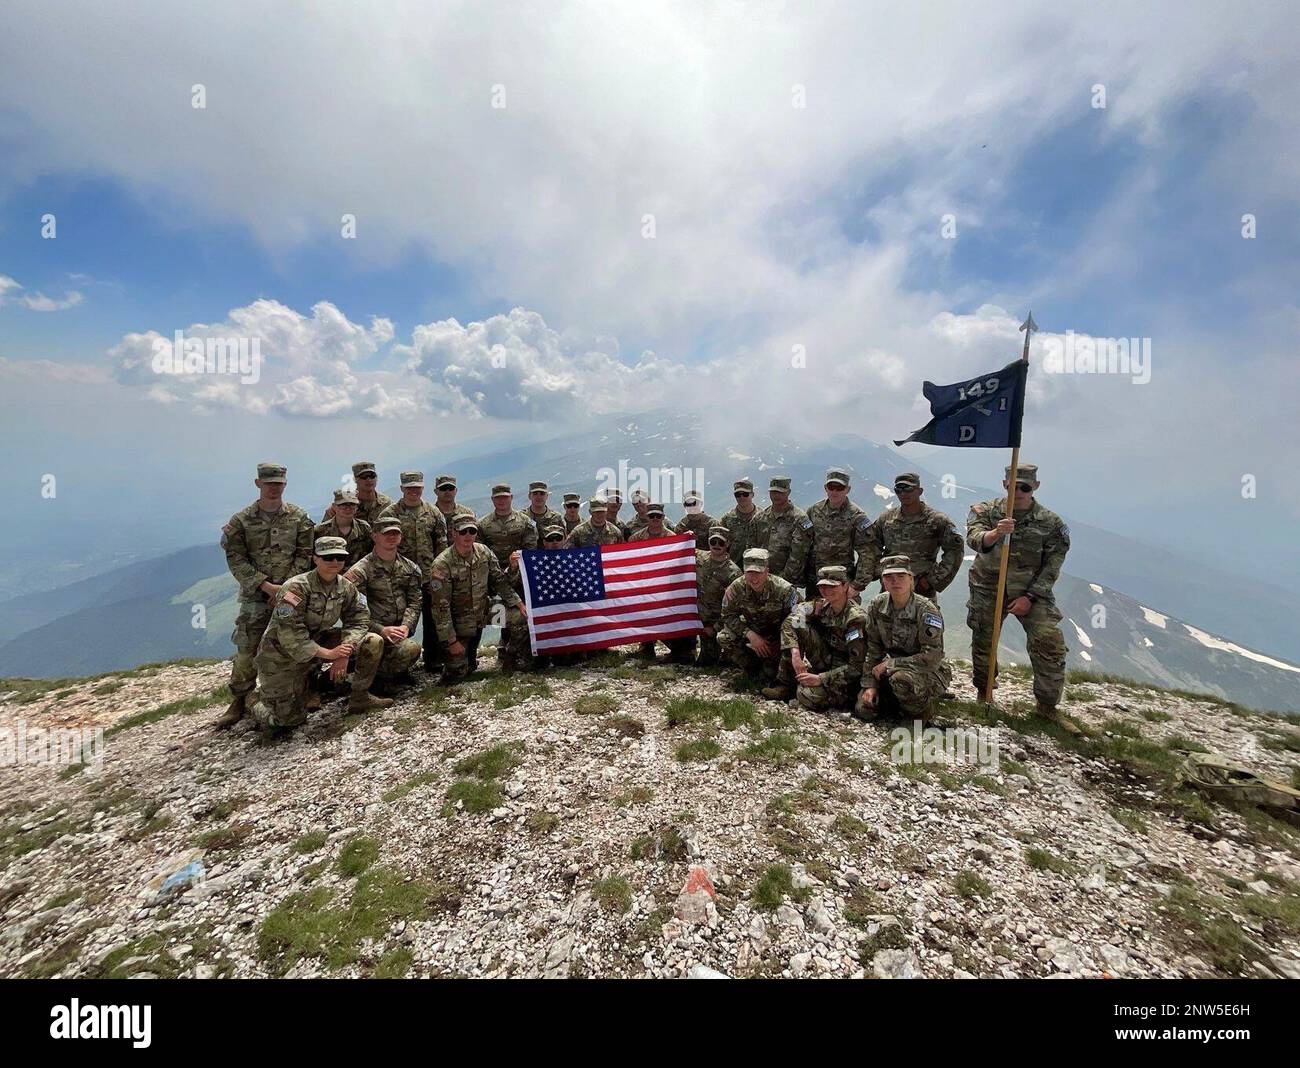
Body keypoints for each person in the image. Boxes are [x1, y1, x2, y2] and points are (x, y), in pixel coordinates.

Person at [247, 536, 391, 733]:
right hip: (281, 656)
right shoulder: (295, 588)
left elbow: (359, 618)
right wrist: (330, 654)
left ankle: (359, 697)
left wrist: (345, 650)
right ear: (315, 559)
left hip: (318, 643)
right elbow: (290, 635)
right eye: (328, 557)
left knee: (372, 641)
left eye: (339, 558)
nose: (334, 562)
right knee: (287, 721)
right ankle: (254, 700)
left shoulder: (346, 587)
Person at [965, 463, 1072, 727]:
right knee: (983, 640)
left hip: (1031, 591)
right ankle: (984, 692)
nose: (1019, 491)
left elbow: (1052, 565)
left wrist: (1031, 597)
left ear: (1035, 487)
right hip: (988, 585)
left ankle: (1047, 706)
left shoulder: (1051, 524)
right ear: (1005, 485)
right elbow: (975, 539)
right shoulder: (986, 511)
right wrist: (996, 533)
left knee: (1048, 641)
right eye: (1014, 486)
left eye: (1024, 487)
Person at [217, 462, 315, 728]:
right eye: (269, 483)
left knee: (295, 643)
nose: (274, 487)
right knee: (247, 649)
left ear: (285, 484)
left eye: (279, 483)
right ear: (258, 483)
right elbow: (236, 558)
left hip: (292, 593)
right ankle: (240, 698)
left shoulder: (298, 517)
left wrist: (285, 587)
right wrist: (265, 586)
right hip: (256, 596)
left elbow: (305, 554)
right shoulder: (241, 520)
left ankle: (301, 692)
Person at [430, 514, 527, 682]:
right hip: (460, 621)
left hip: (484, 611)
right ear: (453, 533)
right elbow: (440, 608)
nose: (468, 535)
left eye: (472, 531)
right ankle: (459, 664)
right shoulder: (442, 564)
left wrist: (518, 603)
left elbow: (499, 582)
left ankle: (511, 659)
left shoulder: (483, 552)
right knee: (458, 674)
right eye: (463, 532)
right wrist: (452, 641)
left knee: (520, 617)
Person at [858, 555, 951, 722]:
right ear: (883, 582)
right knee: (864, 710)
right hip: (890, 669)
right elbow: (873, 648)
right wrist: (870, 685)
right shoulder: (877, 605)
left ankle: (922, 712)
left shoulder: (926, 610)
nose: (895, 581)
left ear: (911, 580)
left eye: (901, 576)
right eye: (889, 577)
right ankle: (895, 704)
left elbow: (932, 658)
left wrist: (891, 664)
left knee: (901, 680)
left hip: (927, 671)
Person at [378, 471, 450, 674]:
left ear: (422, 488)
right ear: (402, 488)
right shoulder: (389, 515)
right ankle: (398, 668)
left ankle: (433, 659)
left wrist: (439, 572)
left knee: (433, 617)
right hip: (399, 577)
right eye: (409, 488)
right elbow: (380, 545)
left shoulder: (433, 513)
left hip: (429, 576)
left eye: (417, 487)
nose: (413, 491)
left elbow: (441, 546)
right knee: (399, 619)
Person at [343, 516, 424, 694]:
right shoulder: (360, 571)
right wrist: (381, 629)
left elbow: (415, 601)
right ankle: (359, 679)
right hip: (370, 634)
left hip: (398, 632)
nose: (391, 537)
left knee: (412, 650)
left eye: (396, 533)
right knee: (374, 646)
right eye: (386, 533)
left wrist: (406, 625)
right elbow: (354, 613)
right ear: (375, 536)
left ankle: (386, 676)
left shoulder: (410, 568)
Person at [776, 565, 869, 710]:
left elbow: (856, 667)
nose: (826, 591)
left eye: (832, 586)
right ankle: (785, 684)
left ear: (845, 586)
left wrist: (821, 679)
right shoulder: (822, 605)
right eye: (822, 586)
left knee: (807, 695)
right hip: (826, 660)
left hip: (844, 676)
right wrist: (795, 654)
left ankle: (845, 699)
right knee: (798, 629)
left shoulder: (856, 619)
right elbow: (792, 618)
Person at [860, 473, 963, 597]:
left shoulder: (936, 520)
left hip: (922, 589)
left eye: (908, 489)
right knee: (885, 615)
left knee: (923, 616)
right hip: (891, 586)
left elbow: (955, 550)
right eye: (899, 490)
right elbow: (872, 546)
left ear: (919, 491)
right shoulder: (887, 518)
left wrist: (932, 580)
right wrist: (880, 572)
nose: (903, 494)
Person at [477, 483, 540, 672]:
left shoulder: (525, 522)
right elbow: (481, 554)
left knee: (522, 614)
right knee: (501, 615)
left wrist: (515, 569)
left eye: (505, 497)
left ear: (511, 498)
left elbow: (530, 551)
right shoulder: (483, 525)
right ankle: (503, 649)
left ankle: (521, 652)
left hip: (520, 578)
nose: (502, 501)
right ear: (493, 500)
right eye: (498, 498)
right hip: (494, 579)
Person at [718, 548, 799, 689]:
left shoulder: (784, 589)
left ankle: (779, 674)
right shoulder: (736, 588)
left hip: (779, 639)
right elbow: (727, 615)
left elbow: (799, 618)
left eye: (759, 573)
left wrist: (783, 641)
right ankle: (751, 668)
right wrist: (749, 634)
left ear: (767, 571)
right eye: (750, 573)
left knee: (772, 675)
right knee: (724, 637)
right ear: (744, 572)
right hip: (753, 636)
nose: (754, 578)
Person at [630, 504, 692, 662]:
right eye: (652, 516)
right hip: (644, 584)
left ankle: (681, 648)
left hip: (666, 587)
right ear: (647, 517)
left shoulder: (672, 538)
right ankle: (646, 646)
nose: (655, 519)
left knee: (667, 617)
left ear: (663, 517)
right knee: (644, 612)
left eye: (658, 516)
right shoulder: (636, 538)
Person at [805, 467, 873, 597]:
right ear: (825, 488)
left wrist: (857, 585)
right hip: (816, 583)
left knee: (847, 617)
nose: (835, 491)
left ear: (848, 489)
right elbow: (803, 544)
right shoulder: (814, 511)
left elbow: (868, 553)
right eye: (831, 487)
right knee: (814, 616)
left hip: (842, 584)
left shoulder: (857, 516)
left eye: (840, 488)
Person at [695, 525, 740, 667]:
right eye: (713, 542)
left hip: (717, 622)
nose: (716, 546)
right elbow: (679, 549)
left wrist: (714, 627)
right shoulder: (699, 558)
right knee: (703, 662)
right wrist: (686, 537)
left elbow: (734, 608)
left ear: (727, 544)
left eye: (721, 542)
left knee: (712, 663)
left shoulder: (733, 573)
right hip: (697, 618)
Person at [755, 475, 812, 585]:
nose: (776, 495)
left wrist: (783, 580)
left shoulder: (799, 519)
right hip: (760, 578)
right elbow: (752, 548)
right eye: (773, 492)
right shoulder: (760, 518)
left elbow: (798, 555)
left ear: (788, 492)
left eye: (780, 492)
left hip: (786, 581)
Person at [313, 489, 372, 568]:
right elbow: (313, 559)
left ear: (357, 507)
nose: (348, 508)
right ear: (334, 506)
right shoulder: (320, 530)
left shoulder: (364, 528)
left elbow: (370, 555)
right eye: (343, 504)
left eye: (352, 504)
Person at [321, 461, 391, 525]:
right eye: (364, 477)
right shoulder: (343, 504)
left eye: (372, 476)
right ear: (355, 479)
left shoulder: (386, 504)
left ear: (376, 478)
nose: (369, 480)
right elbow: (323, 530)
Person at [719, 478, 762, 566]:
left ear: (752, 495)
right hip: (734, 567)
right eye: (738, 495)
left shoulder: (763, 517)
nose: (741, 497)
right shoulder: (727, 519)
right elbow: (719, 545)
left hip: (757, 567)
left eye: (745, 494)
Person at [433, 474, 476, 540]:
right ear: (436, 491)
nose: (447, 492)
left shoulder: (467, 514)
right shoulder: (429, 514)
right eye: (443, 488)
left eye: (451, 488)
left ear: (456, 491)